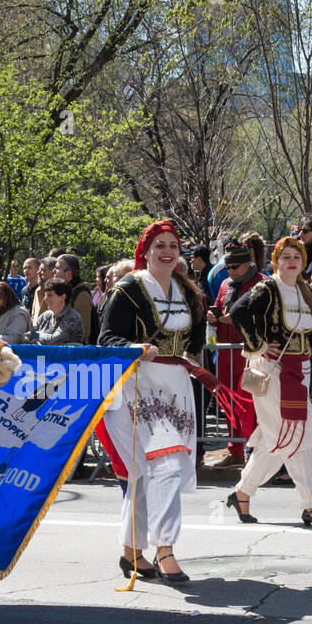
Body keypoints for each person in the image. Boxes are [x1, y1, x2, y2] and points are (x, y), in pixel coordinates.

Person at [99, 219, 207, 583]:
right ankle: (165, 549)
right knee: (167, 463)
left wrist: (192, 356)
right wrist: (135, 348)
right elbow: (107, 338)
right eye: (159, 245)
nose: (167, 251)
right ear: (144, 252)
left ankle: (131, 552)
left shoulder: (187, 290)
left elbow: (196, 336)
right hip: (137, 384)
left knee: (150, 473)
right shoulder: (127, 288)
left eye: (173, 245)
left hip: (176, 384)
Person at [226, 236, 312, 528]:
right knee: (303, 436)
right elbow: (238, 312)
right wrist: (259, 345)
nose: (291, 261)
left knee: (277, 439)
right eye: (285, 256)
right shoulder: (267, 287)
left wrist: (308, 350)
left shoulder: (305, 291)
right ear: (276, 261)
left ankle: (243, 491)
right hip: (272, 370)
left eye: (296, 256)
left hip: (299, 370)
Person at [206, 240, 265, 468]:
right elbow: (218, 307)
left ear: (248, 263)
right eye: (228, 267)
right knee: (229, 403)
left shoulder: (262, 283)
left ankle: (255, 451)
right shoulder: (225, 285)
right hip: (226, 353)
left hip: (251, 355)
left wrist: (240, 319)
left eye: (235, 267)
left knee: (252, 404)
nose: (230, 271)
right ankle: (236, 451)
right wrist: (213, 316)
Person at [54, 253, 98, 344]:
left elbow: (84, 332)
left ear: (69, 274)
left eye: (58, 268)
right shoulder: (64, 292)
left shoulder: (82, 295)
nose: (54, 271)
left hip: (76, 353)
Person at [25, 280, 85, 344]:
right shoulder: (45, 316)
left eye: (50, 295)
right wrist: (26, 338)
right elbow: (30, 334)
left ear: (63, 297)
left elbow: (56, 340)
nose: (45, 299)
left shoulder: (73, 317)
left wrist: (37, 336)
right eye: (45, 295)